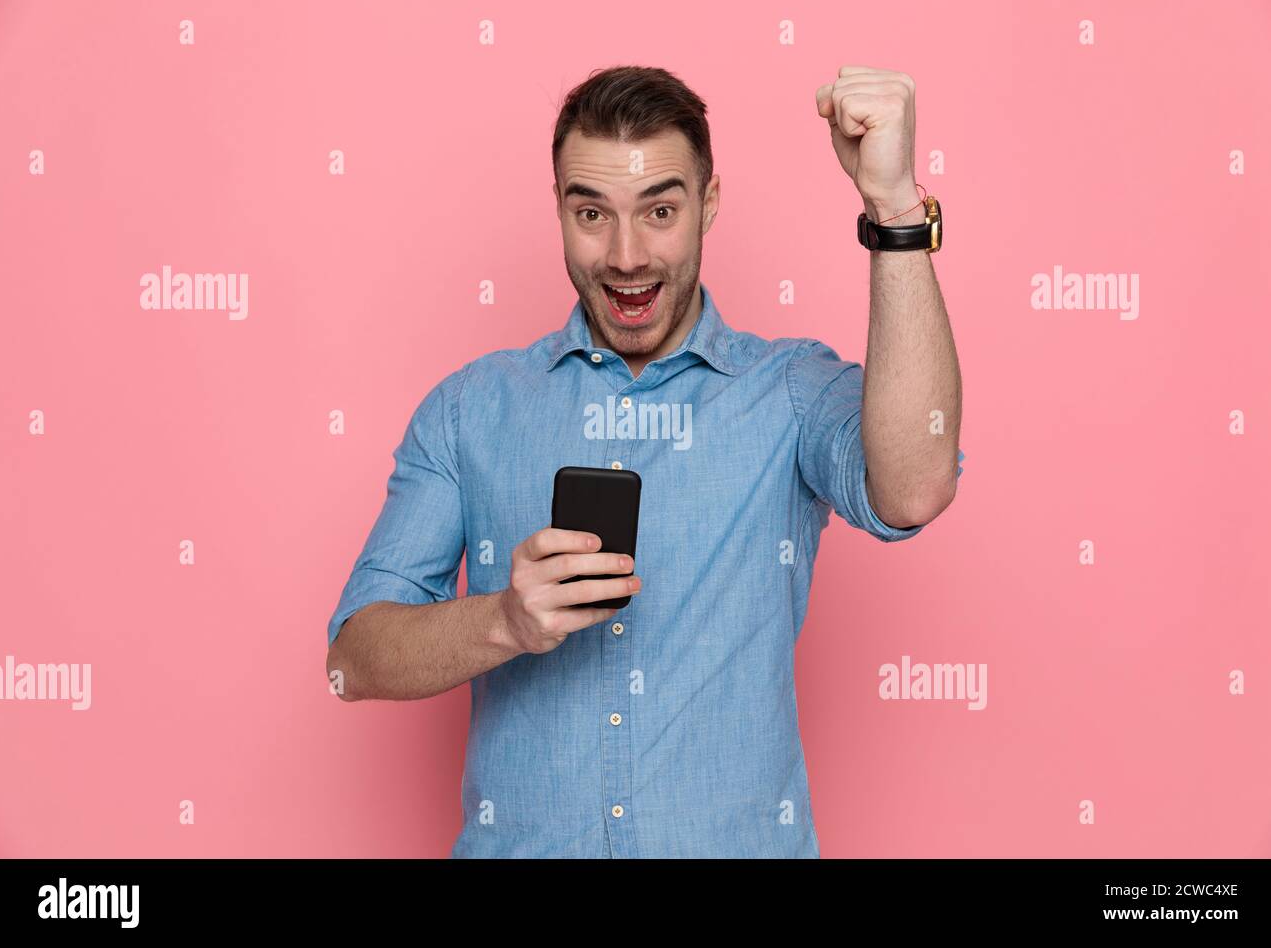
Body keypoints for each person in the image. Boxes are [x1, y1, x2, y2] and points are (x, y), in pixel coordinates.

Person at [326, 64, 964, 857]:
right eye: (592, 212)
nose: (626, 255)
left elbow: (915, 486)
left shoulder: (790, 391)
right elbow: (354, 657)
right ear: (558, 207)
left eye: (659, 209)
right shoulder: (469, 410)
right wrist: (503, 621)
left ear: (710, 204)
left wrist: (895, 209)